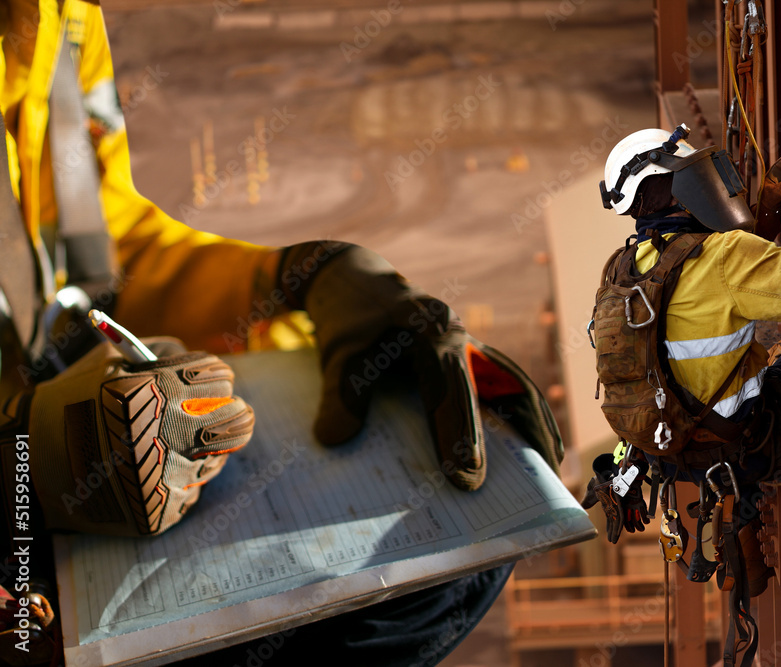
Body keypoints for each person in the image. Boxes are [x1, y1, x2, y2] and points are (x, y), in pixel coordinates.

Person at [0, 0, 563, 663]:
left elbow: (104, 260)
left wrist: (298, 279)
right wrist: (26, 471)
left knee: (455, 548)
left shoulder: (58, 18)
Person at [586, 126, 781, 594]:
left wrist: (767, 206)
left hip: (671, 452)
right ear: (676, 185)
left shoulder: (624, 266)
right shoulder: (724, 256)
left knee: (761, 337)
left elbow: (729, 280)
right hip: (742, 445)